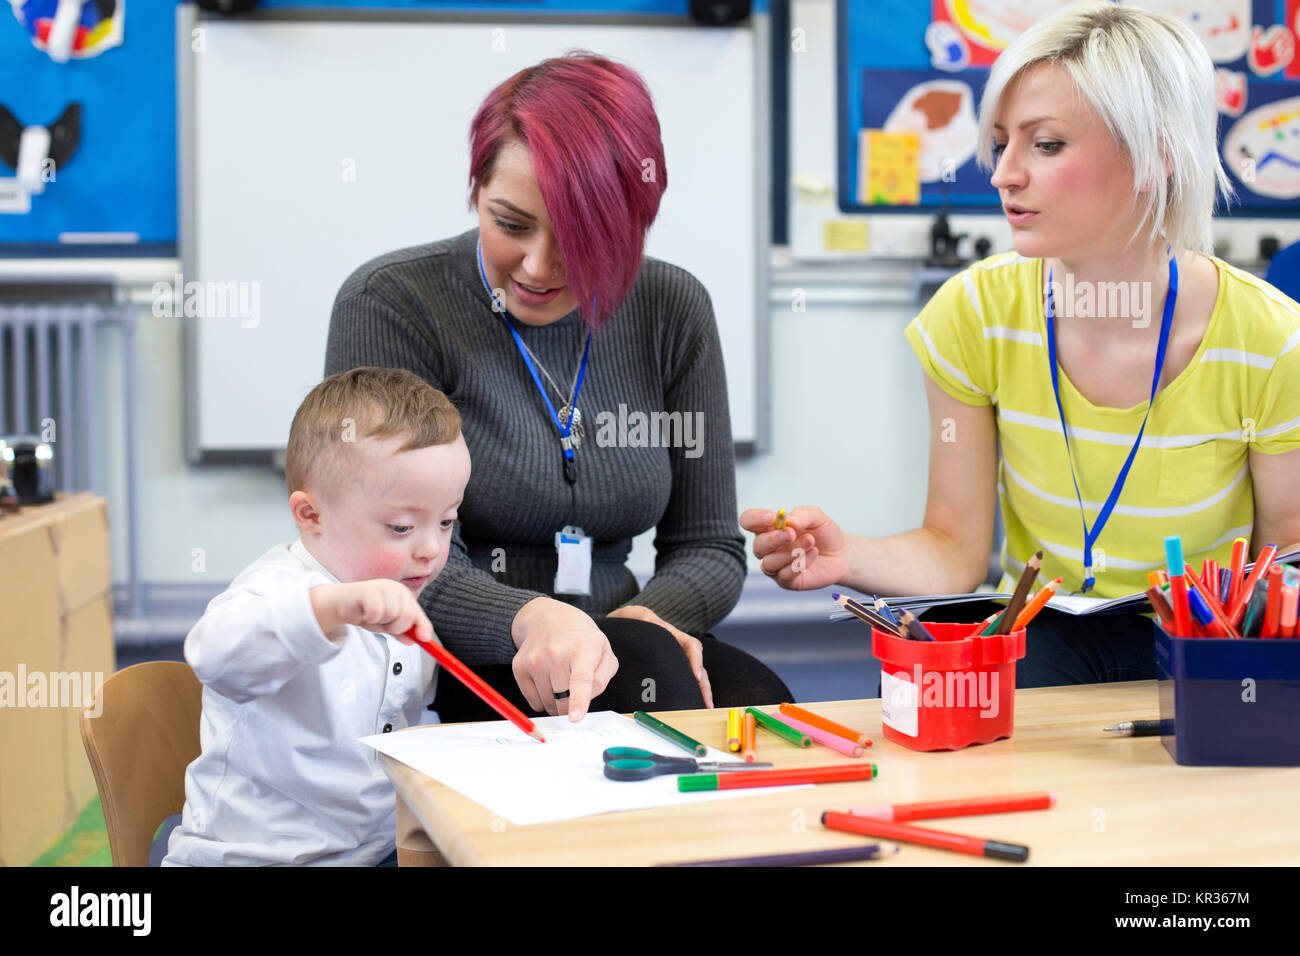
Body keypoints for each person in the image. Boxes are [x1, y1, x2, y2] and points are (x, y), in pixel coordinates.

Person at [744, 3, 1300, 687]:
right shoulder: (974, 314)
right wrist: (844, 553)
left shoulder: (1273, 341)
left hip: (1201, 644)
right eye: (1002, 142)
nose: (1004, 172)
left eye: (1046, 144)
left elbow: (1285, 565)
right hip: (1044, 638)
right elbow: (955, 553)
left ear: (1155, 158)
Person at [325, 52, 792, 723]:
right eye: (509, 223)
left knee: (761, 706)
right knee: (653, 694)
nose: (538, 267)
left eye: (579, 238)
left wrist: (643, 620)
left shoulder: (672, 308)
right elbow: (392, 556)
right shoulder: (393, 304)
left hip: (624, 636)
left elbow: (708, 547)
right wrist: (533, 618)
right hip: (459, 651)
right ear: (476, 190)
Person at [164, 367, 468, 866]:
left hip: (373, 852)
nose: (432, 550)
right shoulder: (278, 588)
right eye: (401, 527)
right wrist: (334, 608)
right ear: (310, 515)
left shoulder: (400, 596)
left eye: (446, 521)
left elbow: (405, 723)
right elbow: (212, 654)